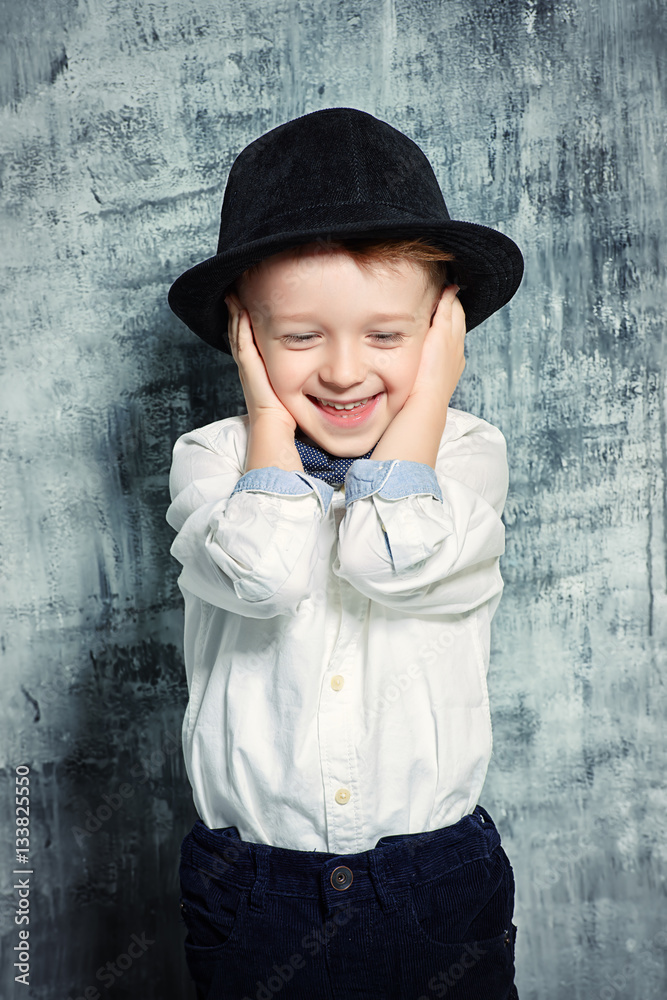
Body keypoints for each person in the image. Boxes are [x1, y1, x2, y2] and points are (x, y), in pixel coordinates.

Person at [166, 107, 523, 1000]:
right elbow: (264, 575)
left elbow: (387, 559)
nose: (341, 371)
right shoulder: (212, 460)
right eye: (298, 337)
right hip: (253, 887)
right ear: (245, 335)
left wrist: (429, 398)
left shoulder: (465, 455)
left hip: (433, 879)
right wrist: (265, 419)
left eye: (387, 336)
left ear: (442, 329)